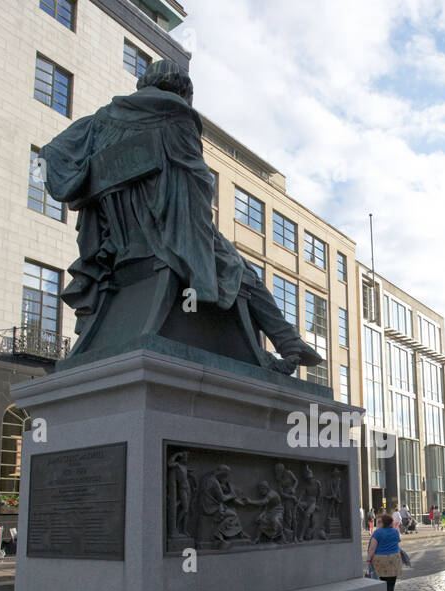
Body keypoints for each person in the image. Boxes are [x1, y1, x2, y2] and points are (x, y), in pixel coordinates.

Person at [38, 60, 322, 373]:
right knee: (242, 271)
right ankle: (282, 342)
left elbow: (51, 156)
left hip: (116, 250)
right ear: (182, 91)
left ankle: (275, 346)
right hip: (167, 237)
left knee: (230, 264)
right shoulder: (175, 115)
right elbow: (196, 189)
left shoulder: (96, 123)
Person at [366, 513, 403, 591]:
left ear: (384, 523)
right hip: (395, 559)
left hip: (381, 560)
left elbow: (372, 548)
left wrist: (369, 559)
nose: (377, 523)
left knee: (382, 581)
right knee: (391, 582)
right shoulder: (395, 532)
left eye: (379, 522)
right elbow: (397, 544)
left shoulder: (377, 533)